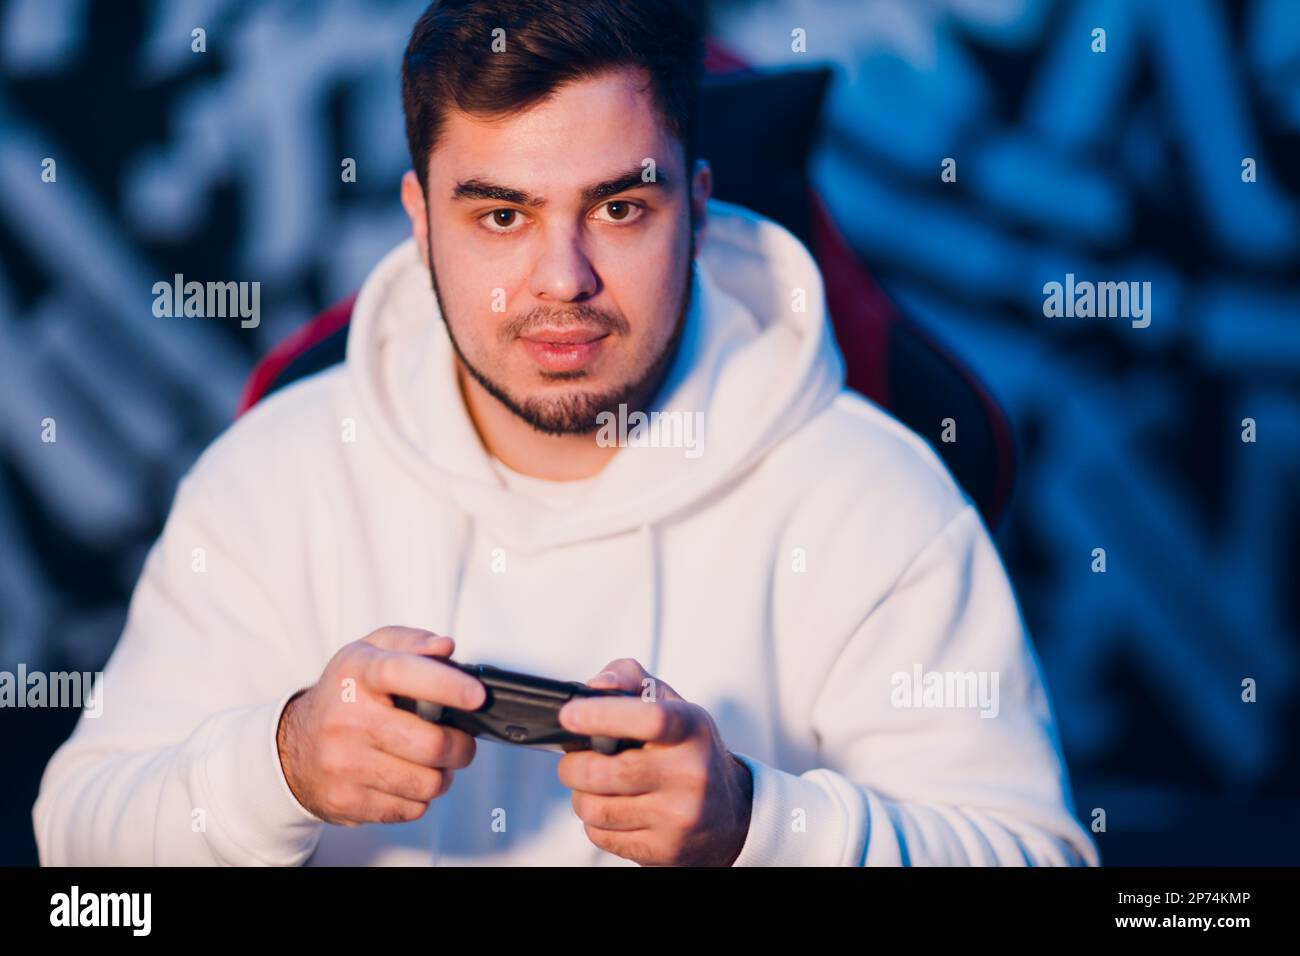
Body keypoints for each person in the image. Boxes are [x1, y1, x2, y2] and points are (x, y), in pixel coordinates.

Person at [33, 0, 1099, 866]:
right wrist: (278, 769)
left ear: (698, 203)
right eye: (500, 214)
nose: (562, 279)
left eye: (620, 209)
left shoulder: (873, 494)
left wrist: (757, 825)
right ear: (418, 218)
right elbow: (74, 859)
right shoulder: (274, 479)